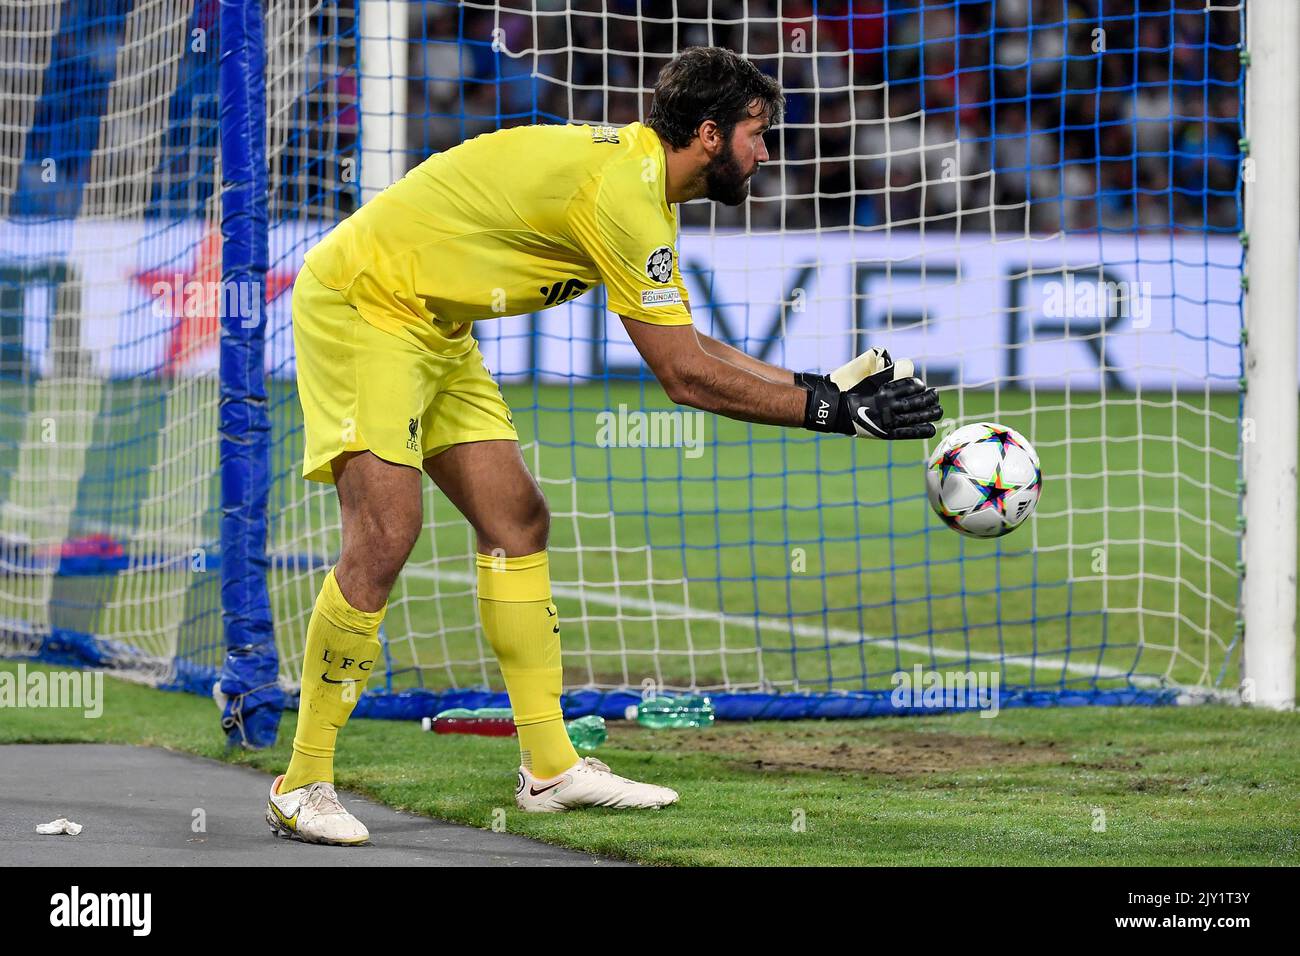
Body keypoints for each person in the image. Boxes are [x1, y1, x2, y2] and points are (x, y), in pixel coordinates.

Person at [267, 46, 942, 844]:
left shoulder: (647, 188)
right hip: (365, 304)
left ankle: (551, 769)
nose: (766, 152)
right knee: (386, 533)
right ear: (709, 134)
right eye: (757, 133)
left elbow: (692, 343)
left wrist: (817, 385)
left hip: (436, 325)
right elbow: (685, 377)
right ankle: (302, 782)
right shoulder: (624, 192)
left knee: (517, 521)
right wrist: (831, 414)